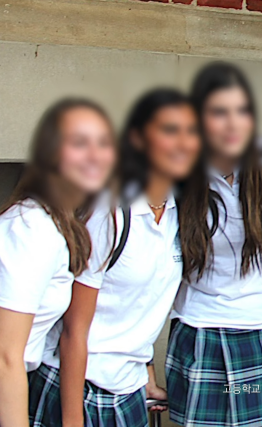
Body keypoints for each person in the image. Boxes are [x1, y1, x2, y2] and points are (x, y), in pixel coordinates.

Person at [28, 89, 201, 427]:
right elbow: (73, 330)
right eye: (169, 131)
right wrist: (72, 419)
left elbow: (143, 301)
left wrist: (146, 374)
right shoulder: (110, 212)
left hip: (128, 388)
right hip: (80, 387)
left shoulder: (179, 212)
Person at [0, 98, 116, 426]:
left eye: (103, 143)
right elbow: (4, 358)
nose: (95, 155)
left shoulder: (58, 221)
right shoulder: (33, 227)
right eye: (79, 143)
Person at [166, 62, 262, 427]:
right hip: (200, 331)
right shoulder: (178, 181)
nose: (232, 124)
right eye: (219, 113)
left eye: (241, 112)